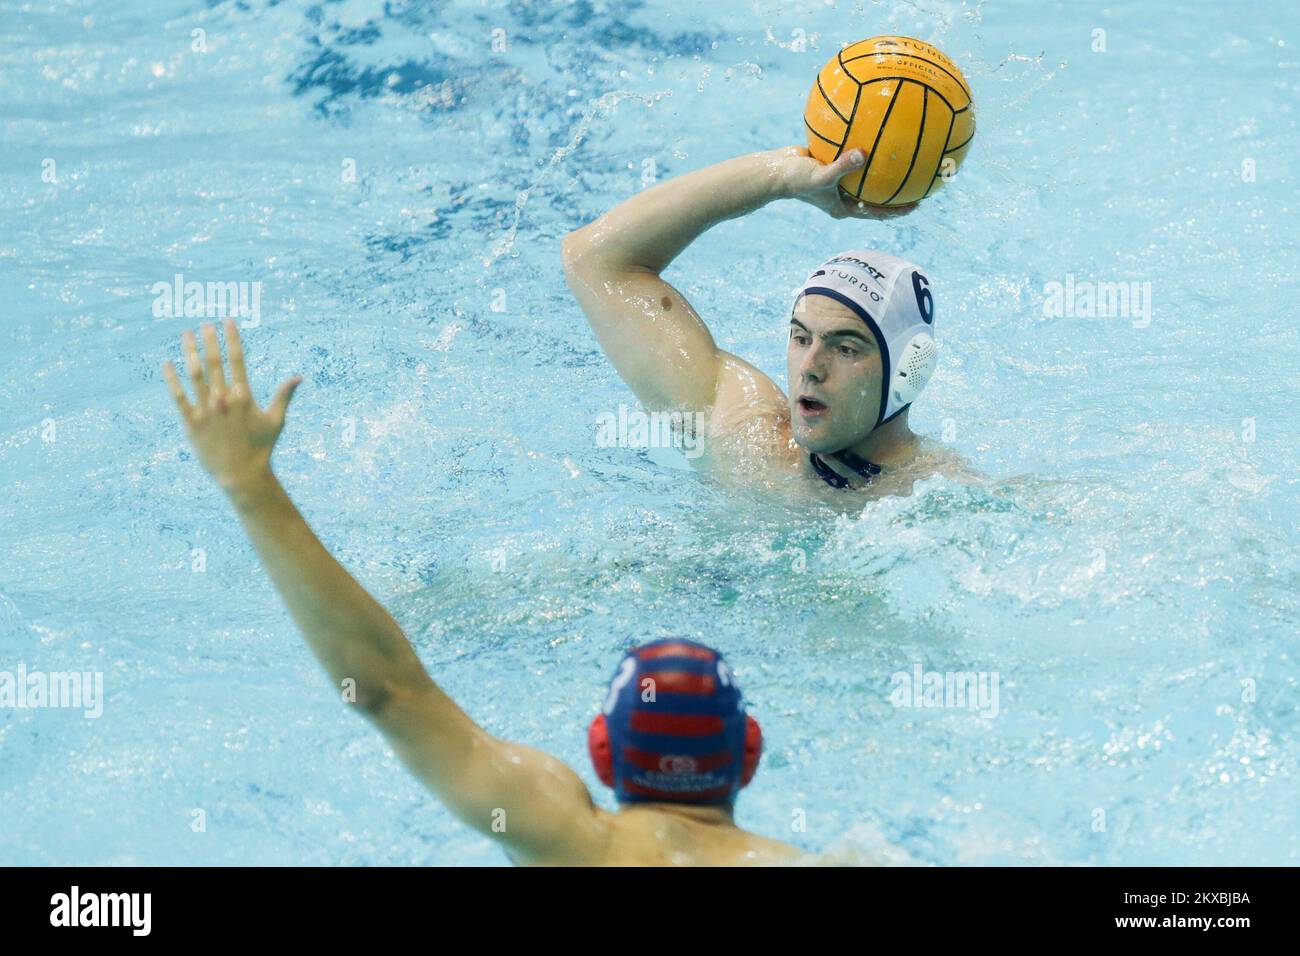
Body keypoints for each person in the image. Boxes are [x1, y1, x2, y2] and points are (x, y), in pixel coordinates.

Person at [161, 320, 800, 866]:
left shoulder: (571, 842)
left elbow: (386, 691)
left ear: (601, 754)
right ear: (750, 753)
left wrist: (250, 485)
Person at [563, 146, 971, 497]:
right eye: (800, 338)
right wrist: (780, 178)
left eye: (846, 347)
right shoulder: (747, 443)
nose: (811, 368)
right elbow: (595, 259)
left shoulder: (936, 497)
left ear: (908, 369)